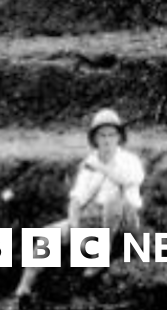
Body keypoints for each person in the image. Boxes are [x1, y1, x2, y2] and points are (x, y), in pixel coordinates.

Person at [13, 108, 145, 308]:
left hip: (126, 223)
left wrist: (100, 167)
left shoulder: (129, 161)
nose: (107, 140)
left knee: (113, 200)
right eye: (102, 135)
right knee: (48, 234)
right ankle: (23, 289)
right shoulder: (89, 164)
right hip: (95, 222)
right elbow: (77, 198)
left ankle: (101, 257)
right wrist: (74, 226)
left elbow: (128, 180)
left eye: (112, 134)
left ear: (119, 137)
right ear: (95, 138)